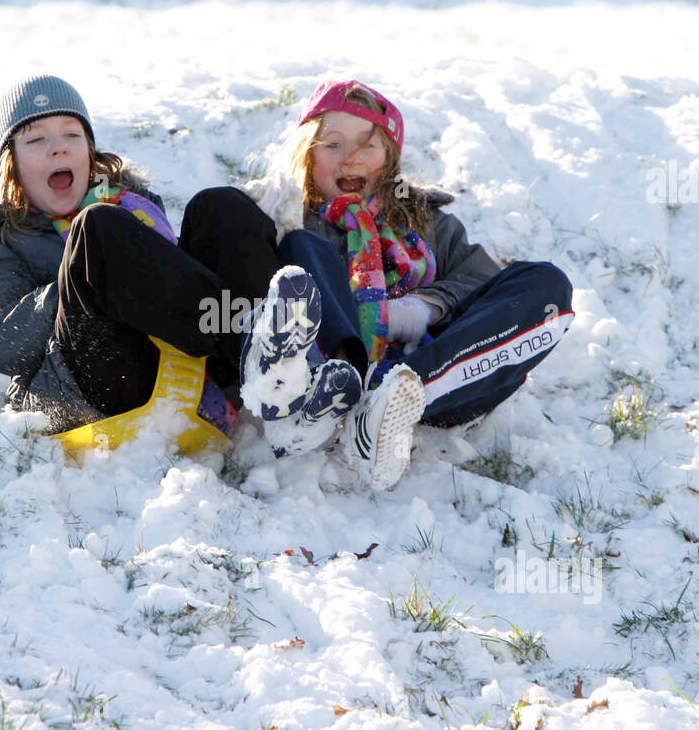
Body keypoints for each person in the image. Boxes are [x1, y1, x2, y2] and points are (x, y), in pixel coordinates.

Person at [0, 73, 358, 450]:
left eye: (72, 134)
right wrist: (82, 282)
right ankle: (254, 341)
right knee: (98, 229)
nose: (58, 148)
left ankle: (268, 367)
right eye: (36, 140)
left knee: (220, 206)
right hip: (92, 383)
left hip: (185, 356)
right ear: (8, 166)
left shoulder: (133, 207)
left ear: (89, 150)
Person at [244, 79, 575, 489]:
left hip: (441, 375)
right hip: (333, 379)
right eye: (332, 145)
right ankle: (352, 391)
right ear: (307, 157)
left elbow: (481, 282)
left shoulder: (429, 222)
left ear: (390, 158)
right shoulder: (292, 218)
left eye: (368, 145)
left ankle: (395, 401)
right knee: (300, 248)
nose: (352, 158)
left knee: (546, 286)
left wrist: (419, 310)